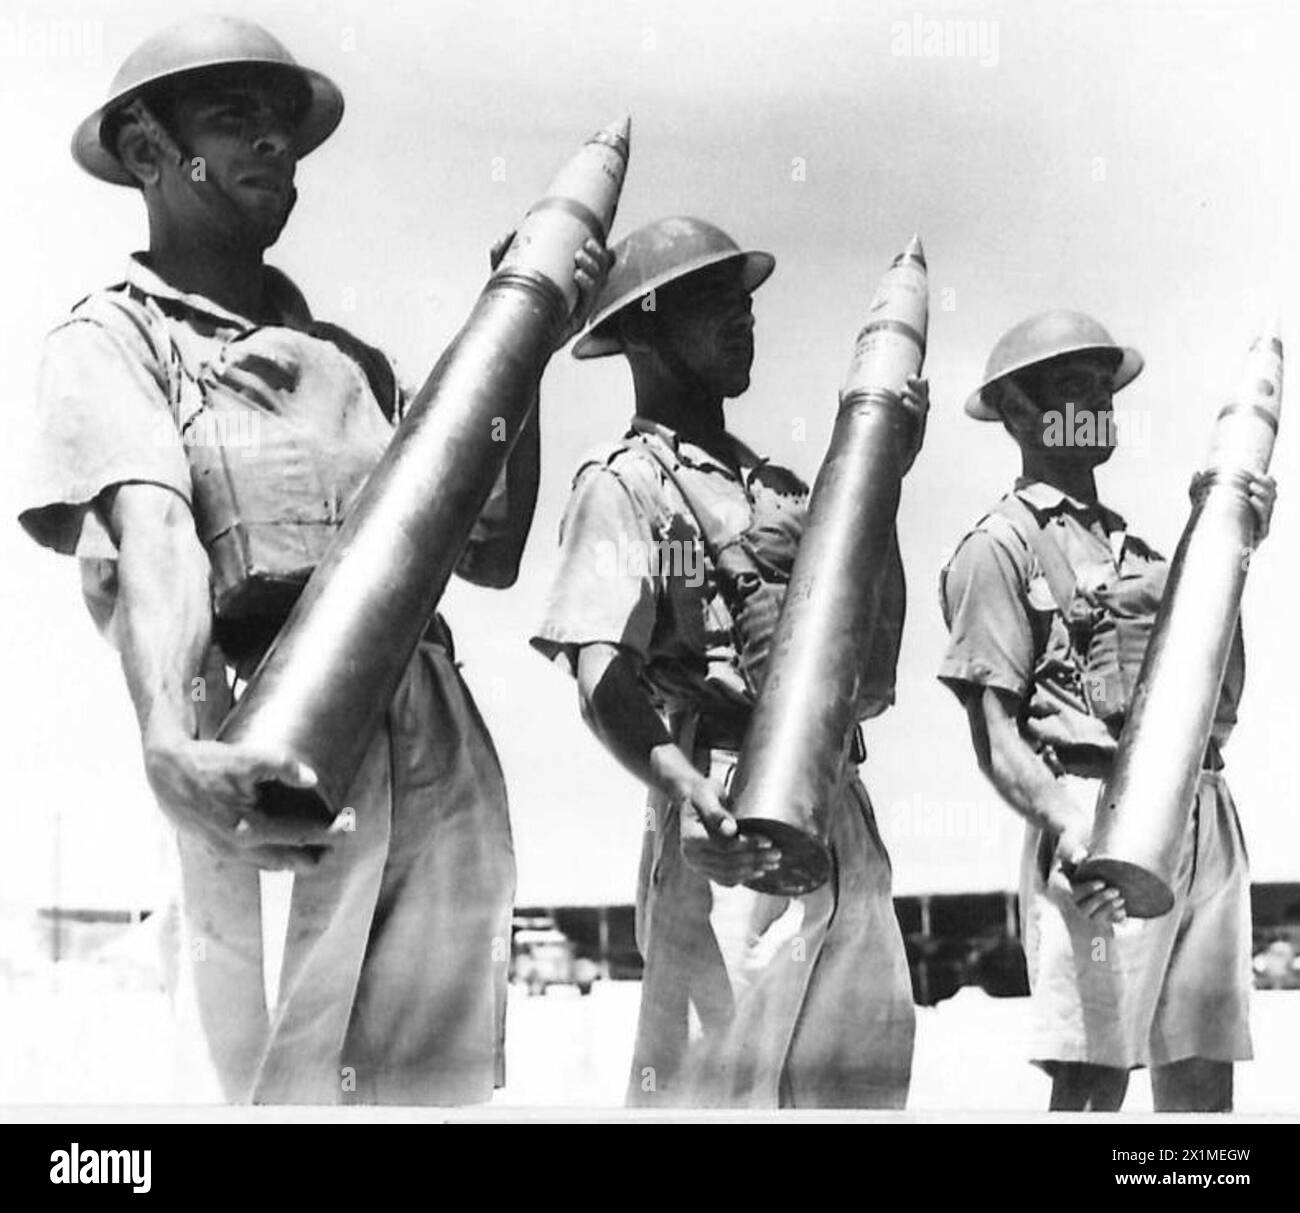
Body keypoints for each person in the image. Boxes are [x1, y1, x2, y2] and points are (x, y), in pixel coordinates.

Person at [18, 15, 606, 1105]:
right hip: (274, 732)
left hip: (432, 728)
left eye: (283, 126)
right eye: (234, 119)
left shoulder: (356, 363)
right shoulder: (116, 339)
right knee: (270, 1088)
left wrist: (520, 350)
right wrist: (166, 743)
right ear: (147, 149)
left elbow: (486, 552)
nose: (272, 146)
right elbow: (151, 543)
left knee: (425, 1092)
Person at [531, 216, 920, 1108]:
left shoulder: (784, 489)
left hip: (837, 802)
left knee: (860, 1095)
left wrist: (886, 481)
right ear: (642, 327)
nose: (744, 319)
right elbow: (602, 678)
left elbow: (876, 676)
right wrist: (682, 788)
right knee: (711, 1098)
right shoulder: (622, 482)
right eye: (714, 302)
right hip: (724, 812)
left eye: (745, 302)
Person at [937, 310, 1275, 1111]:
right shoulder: (1000, 545)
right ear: (1015, 411)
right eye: (1068, 388)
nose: (1097, 403)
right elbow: (994, 731)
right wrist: (1066, 823)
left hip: (1203, 806)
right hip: (1099, 813)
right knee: (1093, 1077)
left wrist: (1231, 536)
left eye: (1102, 387)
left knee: (1200, 1077)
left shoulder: (1145, 551)